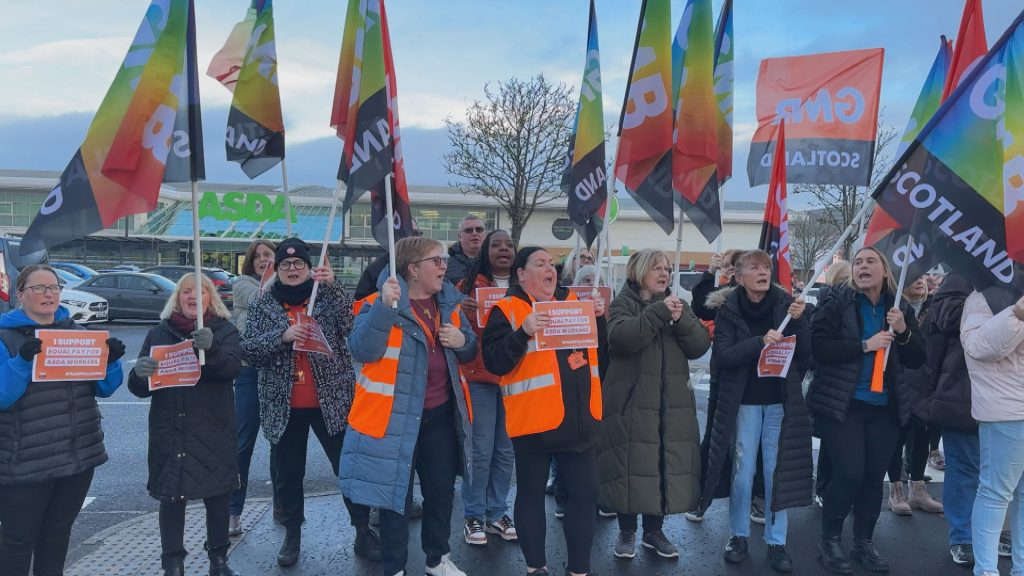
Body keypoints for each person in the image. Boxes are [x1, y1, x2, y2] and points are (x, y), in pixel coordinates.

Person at [341, 237, 476, 576]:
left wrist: (463, 342)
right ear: (413, 269)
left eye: (444, 260)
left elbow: (470, 348)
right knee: (393, 500)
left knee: (441, 493)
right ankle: (395, 567)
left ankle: (437, 559)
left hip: (441, 416)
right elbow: (362, 350)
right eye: (437, 260)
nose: (444, 266)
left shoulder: (450, 304)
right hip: (393, 419)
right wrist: (386, 308)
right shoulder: (378, 302)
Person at [241, 238, 377, 567]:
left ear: (308, 267)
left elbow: (351, 326)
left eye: (299, 264)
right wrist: (283, 337)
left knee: (347, 468)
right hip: (283, 405)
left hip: (331, 402)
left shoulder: (325, 297)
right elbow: (249, 349)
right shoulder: (265, 303)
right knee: (288, 474)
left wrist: (335, 287)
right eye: (285, 265)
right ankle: (292, 534)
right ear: (277, 269)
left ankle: (362, 528)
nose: (292, 270)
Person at [483, 247, 606, 576]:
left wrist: (600, 320)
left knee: (585, 495)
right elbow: (493, 361)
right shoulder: (507, 309)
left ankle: (579, 570)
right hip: (533, 425)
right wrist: (522, 332)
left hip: (579, 423)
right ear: (522, 274)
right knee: (531, 497)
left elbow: (600, 358)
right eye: (540, 264)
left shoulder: (576, 306)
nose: (549, 269)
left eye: (552, 264)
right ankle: (536, 568)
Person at [0, 264, 125, 575]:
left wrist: (111, 362)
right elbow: (3, 396)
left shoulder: (78, 333)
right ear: (21, 295)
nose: (48, 294)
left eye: (53, 288)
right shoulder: (4, 337)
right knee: (17, 543)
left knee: (56, 539)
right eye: (38, 288)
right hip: (25, 463)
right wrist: (22, 361)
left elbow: (106, 388)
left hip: (75, 460)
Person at [808, 246, 926, 574]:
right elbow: (820, 349)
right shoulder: (836, 302)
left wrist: (903, 331)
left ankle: (863, 543)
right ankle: (829, 541)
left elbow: (918, 358)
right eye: (858, 262)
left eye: (870, 261)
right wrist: (864, 346)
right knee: (849, 472)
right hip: (843, 406)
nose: (862, 266)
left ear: (885, 271)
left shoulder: (898, 307)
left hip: (885, 409)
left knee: (874, 478)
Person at [701, 249, 813, 573]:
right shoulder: (729, 309)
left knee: (776, 472)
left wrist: (801, 321)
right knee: (742, 473)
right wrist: (759, 343)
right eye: (754, 267)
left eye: (766, 266)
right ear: (738, 276)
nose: (763, 272)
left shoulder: (786, 305)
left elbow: (805, 355)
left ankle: (777, 541)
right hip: (745, 403)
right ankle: (738, 536)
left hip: (779, 403)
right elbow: (722, 356)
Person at [598, 249, 711, 560]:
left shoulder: (677, 305)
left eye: (666, 269)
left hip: (670, 404)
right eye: (656, 268)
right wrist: (660, 312)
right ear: (640, 272)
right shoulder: (623, 303)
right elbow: (621, 339)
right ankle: (627, 530)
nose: (664, 274)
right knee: (630, 464)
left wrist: (680, 319)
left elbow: (700, 345)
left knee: (662, 461)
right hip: (631, 403)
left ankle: (653, 531)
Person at [127, 273, 242, 576]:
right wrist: (139, 374)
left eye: (201, 292)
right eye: (186, 291)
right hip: (172, 429)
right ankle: (173, 565)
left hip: (212, 429)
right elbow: (139, 387)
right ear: (177, 298)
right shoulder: (158, 334)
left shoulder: (225, 330)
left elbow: (231, 369)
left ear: (211, 300)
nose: (193, 297)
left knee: (217, 497)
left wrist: (212, 348)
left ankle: (218, 561)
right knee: (172, 498)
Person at [457, 230, 518, 547]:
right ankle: (473, 514)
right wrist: (460, 312)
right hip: (479, 378)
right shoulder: (467, 289)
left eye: (509, 245)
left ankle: (496, 511)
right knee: (480, 450)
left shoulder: (526, 287)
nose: (504, 249)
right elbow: (452, 329)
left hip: (515, 378)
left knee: (506, 451)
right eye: (496, 245)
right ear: (486, 251)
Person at [961, 289, 1024, 576]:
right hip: (1006, 411)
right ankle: (986, 571)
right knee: (995, 494)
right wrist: (1016, 314)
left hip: (1010, 408)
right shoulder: (982, 297)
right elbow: (978, 347)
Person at [925, 273, 985, 566]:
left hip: (1009, 394)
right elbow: (947, 316)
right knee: (964, 469)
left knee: (1005, 477)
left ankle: (993, 532)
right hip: (962, 393)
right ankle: (963, 537)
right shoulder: (962, 277)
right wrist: (1000, 304)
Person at [228, 239, 275, 535]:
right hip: (248, 374)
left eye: (268, 255)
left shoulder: (282, 283)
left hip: (279, 373)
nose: (262, 260)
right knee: (241, 444)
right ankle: (232, 511)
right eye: (257, 256)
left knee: (281, 444)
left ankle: (284, 505)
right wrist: (282, 276)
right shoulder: (242, 284)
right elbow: (261, 297)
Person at [886, 275, 943, 516]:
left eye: (923, 278)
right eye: (914, 278)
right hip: (901, 380)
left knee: (922, 432)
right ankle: (896, 489)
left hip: (928, 380)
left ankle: (917, 489)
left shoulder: (935, 306)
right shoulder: (895, 308)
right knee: (897, 436)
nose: (921, 282)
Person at [812, 259, 853, 506]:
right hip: (832, 383)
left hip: (837, 383)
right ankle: (824, 488)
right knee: (832, 442)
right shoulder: (830, 303)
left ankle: (828, 489)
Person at [446, 215, 487, 284]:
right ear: (459, 236)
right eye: (469, 230)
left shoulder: (495, 263)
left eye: (479, 230)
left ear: (485, 234)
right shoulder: (445, 265)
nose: (475, 233)